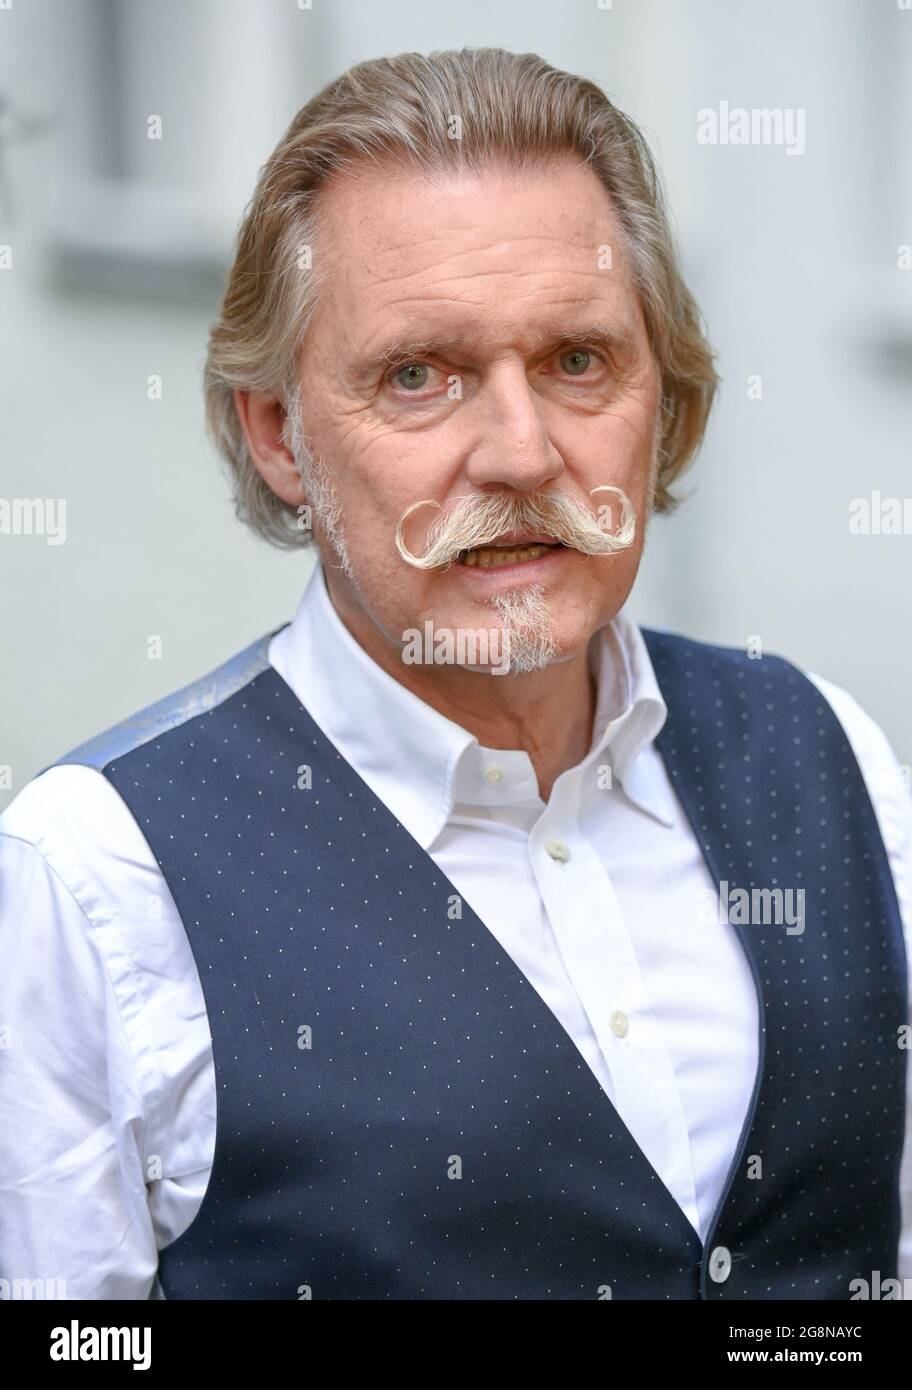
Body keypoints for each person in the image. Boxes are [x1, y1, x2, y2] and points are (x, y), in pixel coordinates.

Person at [1, 47, 909, 1301]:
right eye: (418, 376)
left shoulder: (830, 759)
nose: (523, 450)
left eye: (578, 361)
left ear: (666, 392)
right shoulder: (101, 877)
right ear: (279, 433)